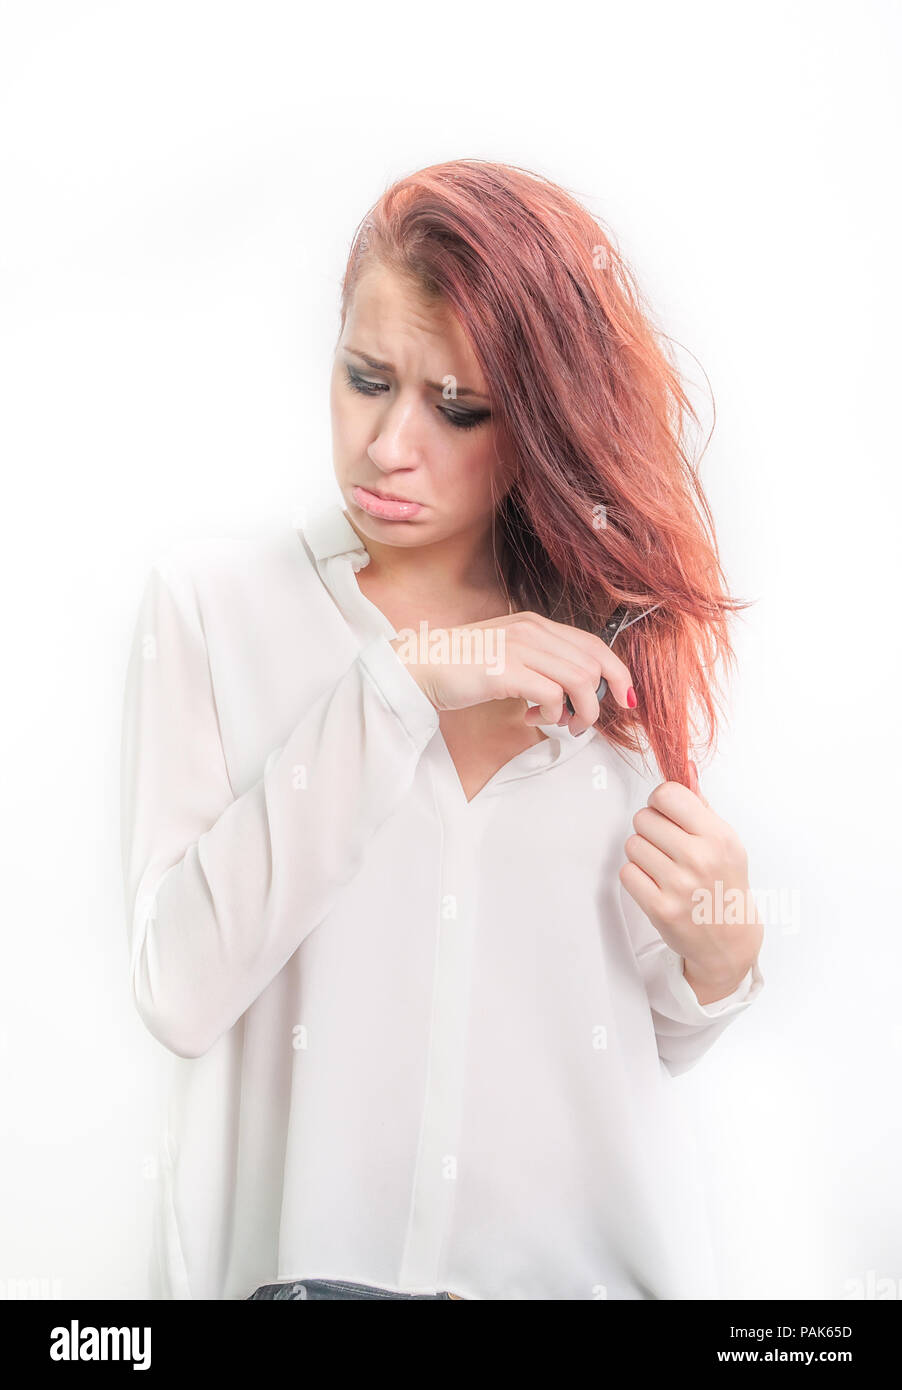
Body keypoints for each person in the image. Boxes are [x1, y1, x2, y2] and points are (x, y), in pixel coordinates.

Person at [119, 158, 765, 1301]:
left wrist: (722, 951)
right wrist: (408, 676)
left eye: (457, 407)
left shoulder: (614, 640)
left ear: (539, 423)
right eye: (366, 380)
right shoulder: (215, 611)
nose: (389, 444)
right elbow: (177, 983)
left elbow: (634, 1033)